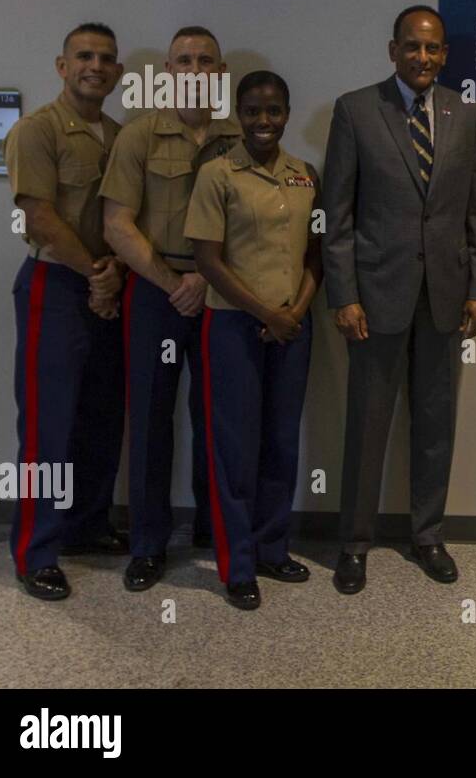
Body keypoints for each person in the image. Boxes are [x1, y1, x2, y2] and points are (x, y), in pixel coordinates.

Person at [321, 5, 476, 594]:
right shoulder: (355, 110)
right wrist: (343, 293)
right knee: (368, 423)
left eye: (435, 49)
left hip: (444, 297)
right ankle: (355, 544)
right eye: (413, 47)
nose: (424, 58)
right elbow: (335, 217)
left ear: (445, 55)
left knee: (436, 423)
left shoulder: (467, 116)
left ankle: (428, 536)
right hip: (375, 297)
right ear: (392, 50)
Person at [101, 26, 242, 591]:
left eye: (206, 61)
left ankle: (215, 530)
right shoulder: (138, 137)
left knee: (219, 417)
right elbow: (117, 224)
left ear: (221, 72)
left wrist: (208, 285)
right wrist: (172, 281)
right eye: (184, 61)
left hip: (224, 294)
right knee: (152, 419)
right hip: (155, 292)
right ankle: (148, 544)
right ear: (165, 72)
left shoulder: (241, 137)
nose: (195, 70)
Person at [183, 71, 322, 610]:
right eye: (253, 111)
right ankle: (237, 565)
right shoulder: (217, 175)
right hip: (233, 328)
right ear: (238, 114)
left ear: (287, 112)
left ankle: (271, 548)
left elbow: (316, 255)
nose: (264, 121)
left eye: (274, 111)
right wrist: (267, 313)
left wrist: (295, 314)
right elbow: (207, 260)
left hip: (293, 328)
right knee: (233, 450)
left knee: (281, 444)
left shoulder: (306, 176)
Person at [4, 23, 128, 600]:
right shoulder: (38, 130)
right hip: (54, 289)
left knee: (101, 418)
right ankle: (36, 551)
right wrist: (97, 275)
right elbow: (39, 216)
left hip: (109, 290)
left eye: (105, 58)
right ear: (61, 65)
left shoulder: (120, 136)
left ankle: (86, 526)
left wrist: (109, 280)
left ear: (119, 73)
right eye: (83, 56)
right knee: (46, 426)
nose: (94, 66)